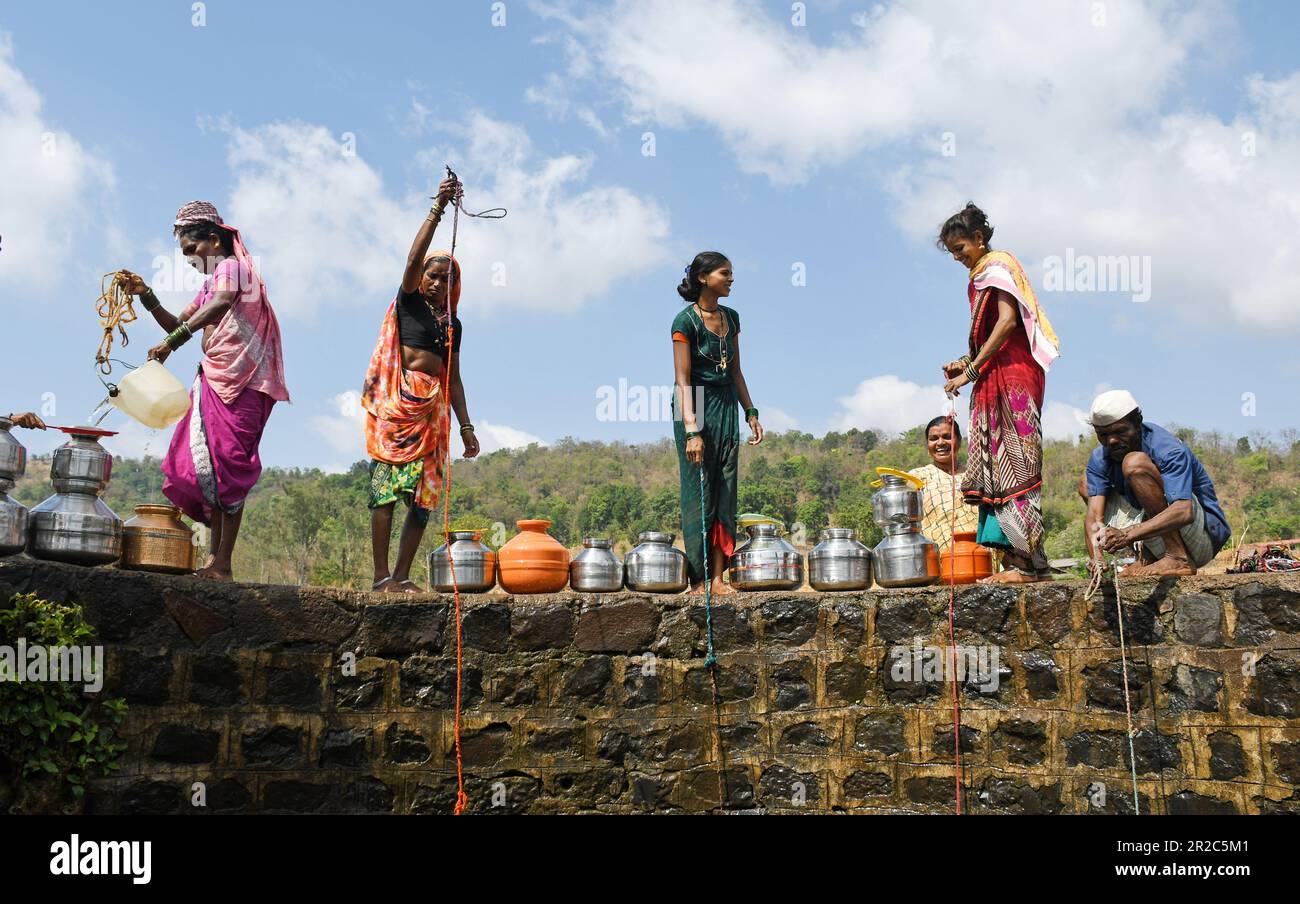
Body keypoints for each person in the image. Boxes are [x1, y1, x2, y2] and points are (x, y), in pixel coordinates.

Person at [122, 201, 289, 582]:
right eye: (184, 255)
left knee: (231, 462)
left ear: (213, 239)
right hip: (216, 379)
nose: (190, 260)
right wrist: (145, 294)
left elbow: (221, 303)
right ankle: (214, 561)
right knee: (211, 467)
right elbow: (176, 323)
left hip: (245, 382)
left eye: (192, 250)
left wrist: (174, 343)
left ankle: (223, 564)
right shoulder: (209, 283)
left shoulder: (233, 269)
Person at [362, 176, 479, 594]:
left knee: (424, 497)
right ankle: (380, 578)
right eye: (432, 275)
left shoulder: (454, 324)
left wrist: (466, 425)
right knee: (386, 491)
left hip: (435, 412)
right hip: (399, 405)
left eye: (445, 278)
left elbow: (455, 378)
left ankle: (402, 575)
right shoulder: (408, 302)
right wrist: (439, 209)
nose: (435, 283)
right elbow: (411, 261)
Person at [938, 203, 1060, 584]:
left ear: (979, 239)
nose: (958, 257)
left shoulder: (999, 266)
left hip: (1014, 375)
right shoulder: (977, 277)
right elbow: (989, 335)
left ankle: (1027, 563)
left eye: (961, 248)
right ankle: (1016, 560)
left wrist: (971, 371)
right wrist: (966, 362)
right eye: (953, 252)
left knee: (1017, 460)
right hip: (993, 376)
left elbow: (1007, 324)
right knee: (995, 464)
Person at [671, 251, 763, 596]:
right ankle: (698, 581)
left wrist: (750, 412)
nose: (731, 279)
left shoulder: (732, 318)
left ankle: (718, 579)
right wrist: (692, 430)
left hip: (725, 403)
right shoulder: (684, 322)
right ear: (702, 278)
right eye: (725, 273)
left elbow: (736, 371)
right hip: (694, 404)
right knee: (699, 491)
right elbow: (682, 380)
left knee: (726, 489)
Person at [1080, 390, 1230, 577]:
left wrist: (1126, 534)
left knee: (1134, 463)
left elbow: (1184, 511)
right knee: (1087, 483)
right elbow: (1094, 517)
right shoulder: (1100, 457)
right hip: (1154, 537)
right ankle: (1146, 558)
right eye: (1103, 435)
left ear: (1137, 424)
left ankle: (1177, 557)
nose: (1112, 441)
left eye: (1120, 431)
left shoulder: (1167, 448)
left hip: (1201, 538)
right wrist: (1097, 557)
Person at [908, 415, 979, 553]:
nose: (940, 443)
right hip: (936, 563)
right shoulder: (916, 478)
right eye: (933, 439)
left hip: (981, 561)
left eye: (947, 436)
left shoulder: (976, 476)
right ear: (927, 445)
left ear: (959, 440)